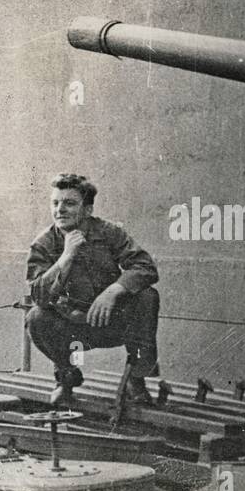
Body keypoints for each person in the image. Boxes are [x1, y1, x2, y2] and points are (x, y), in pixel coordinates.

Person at [26, 173, 160, 407]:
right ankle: (66, 379)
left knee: (147, 297)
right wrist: (66, 257)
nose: (60, 210)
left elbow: (145, 266)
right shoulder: (44, 243)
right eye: (55, 203)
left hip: (109, 322)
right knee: (36, 317)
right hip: (71, 329)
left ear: (87, 210)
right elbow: (39, 296)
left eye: (69, 203)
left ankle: (135, 380)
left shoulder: (109, 233)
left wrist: (113, 292)